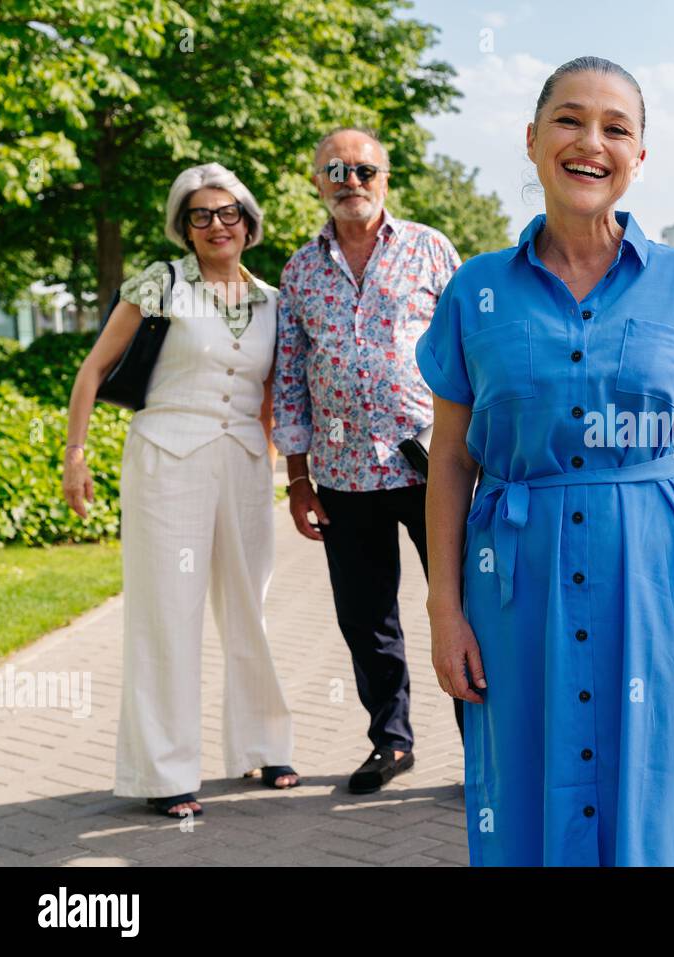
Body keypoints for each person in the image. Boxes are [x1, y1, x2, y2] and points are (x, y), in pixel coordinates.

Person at [418, 56, 674, 866]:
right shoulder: (475, 290)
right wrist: (442, 607)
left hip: (653, 582)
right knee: (520, 781)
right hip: (515, 584)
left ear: (639, 157)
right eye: (569, 120)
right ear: (533, 140)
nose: (590, 142)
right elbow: (451, 459)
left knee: (651, 777)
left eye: (617, 128)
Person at [63, 163, 298, 818]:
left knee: (250, 603)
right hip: (167, 460)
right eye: (201, 215)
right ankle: (165, 771)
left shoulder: (273, 300)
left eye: (229, 213)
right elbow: (95, 368)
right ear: (184, 227)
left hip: (245, 465)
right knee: (168, 612)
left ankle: (263, 742)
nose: (217, 224)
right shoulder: (159, 283)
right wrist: (75, 454)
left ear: (249, 223)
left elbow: (270, 394)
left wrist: (280, 461)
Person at [274, 127, 463, 795]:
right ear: (318, 181)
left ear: (385, 178)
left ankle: (486, 750)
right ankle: (392, 739)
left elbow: (469, 351)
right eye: (336, 169)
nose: (350, 180)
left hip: (429, 468)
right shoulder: (299, 271)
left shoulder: (430, 250)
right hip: (343, 476)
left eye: (364, 168)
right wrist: (298, 479)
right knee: (364, 616)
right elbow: (291, 379)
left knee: (460, 603)